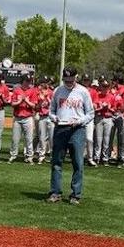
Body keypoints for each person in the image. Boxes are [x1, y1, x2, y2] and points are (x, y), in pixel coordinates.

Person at [47, 67, 94, 205]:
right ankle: (55, 192)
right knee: (56, 162)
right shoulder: (58, 91)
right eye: (66, 80)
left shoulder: (83, 92)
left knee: (78, 163)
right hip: (60, 128)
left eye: (71, 80)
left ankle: (76, 194)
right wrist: (54, 117)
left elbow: (90, 113)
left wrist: (79, 121)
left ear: (76, 78)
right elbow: (51, 110)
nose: (68, 83)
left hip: (77, 129)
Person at [9, 74, 38, 163]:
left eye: (29, 81)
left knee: (29, 139)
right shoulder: (17, 91)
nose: (28, 83)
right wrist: (19, 101)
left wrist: (26, 101)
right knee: (15, 139)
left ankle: (29, 157)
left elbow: (34, 105)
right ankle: (13, 155)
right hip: (17, 117)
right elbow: (12, 104)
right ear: (22, 81)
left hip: (28, 117)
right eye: (26, 81)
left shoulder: (32, 91)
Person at [92, 80, 117, 165]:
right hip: (99, 117)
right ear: (101, 87)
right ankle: (96, 157)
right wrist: (100, 107)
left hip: (108, 118)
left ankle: (105, 158)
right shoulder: (97, 95)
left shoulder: (111, 97)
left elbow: (115, 110)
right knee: (98, 139)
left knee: (106, 139)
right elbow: (94, 108)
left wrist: (109, 108)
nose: (105, 88)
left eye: (106, 86)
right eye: (103, 86)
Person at [35, 78, 55, 165]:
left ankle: (52, 156)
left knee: (51, 138)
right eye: (43, 82)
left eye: (47, 82)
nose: (45, 84)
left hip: (50, 117)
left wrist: (47, 98)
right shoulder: (38, 93)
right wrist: (41, 101)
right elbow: (36, 107)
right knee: (42, 137)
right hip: (42, 116)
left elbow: (54, 106)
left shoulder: (51, 92)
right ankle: (41, 156)